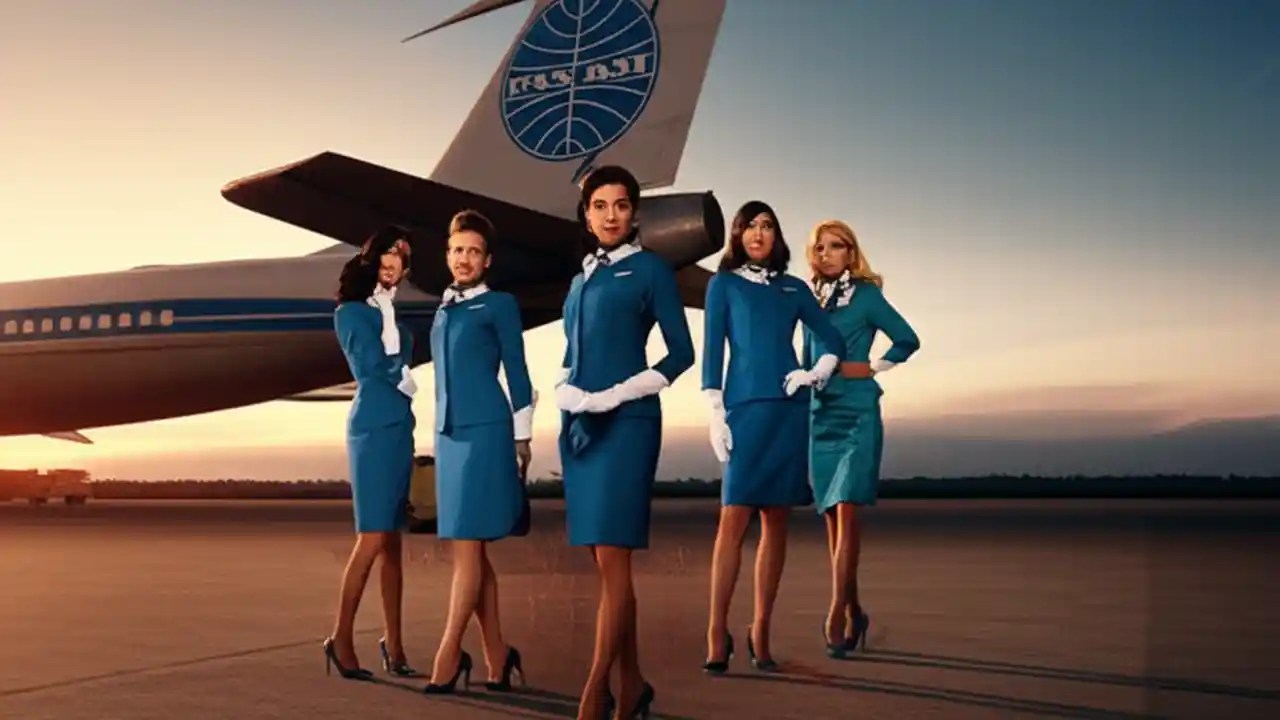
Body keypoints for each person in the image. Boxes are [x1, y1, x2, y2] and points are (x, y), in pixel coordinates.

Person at [555, 165, 694, 720]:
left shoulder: (651, 271)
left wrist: (614, 396)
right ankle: (632, 682)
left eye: (620, 205)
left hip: (628, 424)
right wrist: (566, 393)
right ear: (586, 215)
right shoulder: (579, 279)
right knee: (607, 567)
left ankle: (594, 693)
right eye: (599, 205)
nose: (610, 215)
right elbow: (572, 354)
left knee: (614, 561)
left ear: (634, 213)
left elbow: (680, 354)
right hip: (580, 427)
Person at [700, 201, 845, 674]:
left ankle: (761, 628)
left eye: (767, 226)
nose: (758, 233)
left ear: (776, 236)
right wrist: (714, 412)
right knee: (732, 521)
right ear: (738, 235)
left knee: (776, 521)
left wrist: (815, 371)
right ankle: (716, 630)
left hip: (787, 409)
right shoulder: (722, 284)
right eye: (750, 226)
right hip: (742, 410)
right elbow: (712, 351)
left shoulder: (792, 288)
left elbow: (832, 338)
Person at [424, 209, 535, 694]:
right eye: (456, 250)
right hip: (448, 436)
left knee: (467, 551)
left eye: (472, 251)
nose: (463, 259)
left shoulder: (500, 305)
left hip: (487, 431)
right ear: (447, 256)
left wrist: (522, 435)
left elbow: (518, 371)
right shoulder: (444, 307)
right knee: (473, 555)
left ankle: (448, 655)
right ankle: (497, 656)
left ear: (487, 260)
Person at [803, 219, 920, 658]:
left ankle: (836, 610)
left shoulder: (867, 296)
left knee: (848, 511)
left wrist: (871, 367)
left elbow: (908, 339)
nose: (827, 253)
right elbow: (806, 357)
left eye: (837, 246)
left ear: (851, 254)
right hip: (820, 415)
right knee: (832, 520)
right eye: (821, 246)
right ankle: (856, 609)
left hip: (856, 413)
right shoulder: (809, 299)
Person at [324, 225, 419, 680]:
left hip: (401, 428)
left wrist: (398, 370)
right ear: (372, 259)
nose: (393, 261)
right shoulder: (352, 314)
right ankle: (340, 638)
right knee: (374, 538)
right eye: (386, 252)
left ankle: (395, 646)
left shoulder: (394, 320)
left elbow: (395, 365)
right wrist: (399, 371)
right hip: (372, 429)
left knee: (394, 546)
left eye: (401, 256)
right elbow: (372, 369)